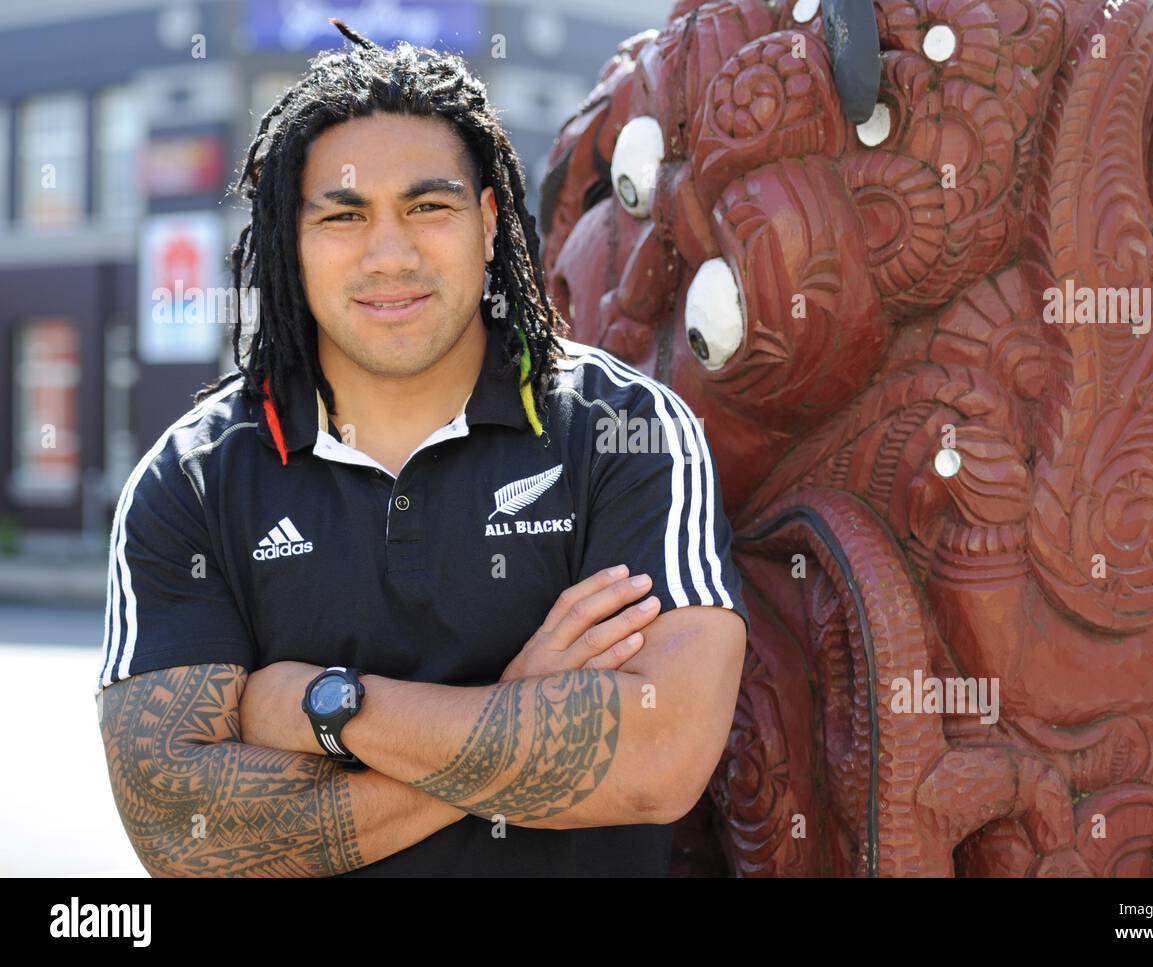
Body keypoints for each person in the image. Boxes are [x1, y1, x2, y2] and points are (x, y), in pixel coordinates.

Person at [94, 20, 749, 877]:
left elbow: (656, 763)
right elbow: (183, 829)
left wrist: (327, 707)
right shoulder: (193, 479)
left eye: (427, 206)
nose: (390, 253)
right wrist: (520, 708)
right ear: (292, 243)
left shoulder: (629, 433)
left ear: (487, 223)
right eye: (345, 214)